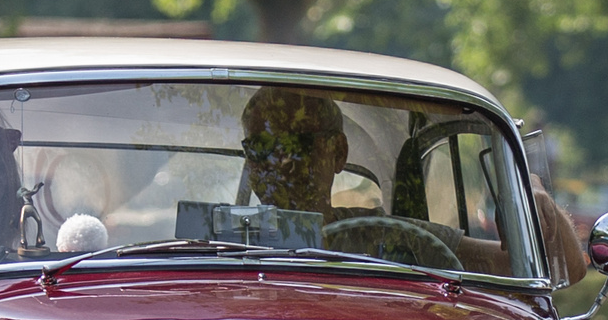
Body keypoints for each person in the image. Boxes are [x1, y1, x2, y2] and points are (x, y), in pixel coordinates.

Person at [239, 87, 586, 281]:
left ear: (338, 152)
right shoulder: (214, 243)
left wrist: (534, 194)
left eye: (296, 147)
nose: (278, 165)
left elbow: (562, 270)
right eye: (260, 149)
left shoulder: (391, 238)